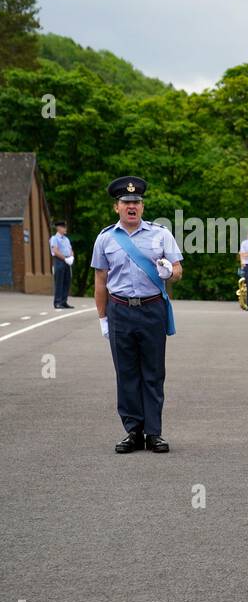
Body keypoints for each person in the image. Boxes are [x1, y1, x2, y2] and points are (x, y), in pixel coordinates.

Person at [92, 176, 182, 454]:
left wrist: (170, 272)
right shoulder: (106, 238)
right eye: (126, 202)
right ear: (116, 207)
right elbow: (100, 281)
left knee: (153, 373)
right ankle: (133, 431)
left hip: (152, 308)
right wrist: (103, 318)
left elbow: (177, 270)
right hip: (120, 310)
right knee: (127, 373)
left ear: (142, 207)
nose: (132, 206)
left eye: (136, 202)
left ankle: (154, 432)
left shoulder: (160, 234)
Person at [50, 221, 74, 308]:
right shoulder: (54, 239)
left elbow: (70, 250)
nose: (65, 229)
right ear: (58, 228)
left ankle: (64, 301)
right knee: (59, 282)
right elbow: (55, 251)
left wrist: (71, 257)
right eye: (63, 227)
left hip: (67, 261)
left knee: (66, 281)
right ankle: (57, 302)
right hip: (59, 261)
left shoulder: (66, 239)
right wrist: (65, 258)